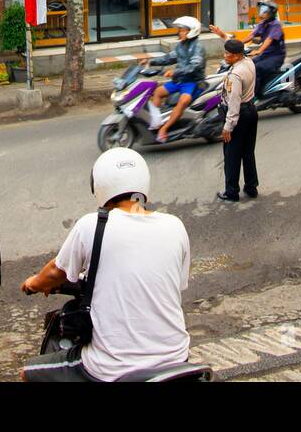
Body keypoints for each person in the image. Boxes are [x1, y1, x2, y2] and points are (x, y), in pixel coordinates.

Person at [20, 148, 191, 382]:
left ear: (99, 187)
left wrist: (32, 284)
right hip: (176, 358)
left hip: (111, 367)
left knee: (27, 374)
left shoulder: (92, 225)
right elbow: (168, 284)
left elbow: (54, 272)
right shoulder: (175, 226)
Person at [148, 16, 205, 143]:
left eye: (182, 30)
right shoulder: (181, 45)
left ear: (192, 31)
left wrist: (175, 72)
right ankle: (155, 122)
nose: (179, 32)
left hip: (192, 82)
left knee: (184, 100)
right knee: (157, 92)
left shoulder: (198, 47)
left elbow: (194, 66)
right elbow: (169, 58)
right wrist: (151, 61)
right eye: (179, 30)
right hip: (179, 80)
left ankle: (165, 128)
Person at [217, 38, 258, 203]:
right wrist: (222, 34)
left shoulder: (235, 75)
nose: (225, 56)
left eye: (228, 53)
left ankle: (232, 192)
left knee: (232, 155)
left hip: (239, 116)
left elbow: (234, 103)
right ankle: (251, 187)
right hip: (251, 112)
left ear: (236, 56)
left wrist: (228, 127)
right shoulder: (249, 62)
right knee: (248, 152)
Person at [211, 0, 285, 85]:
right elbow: (250, 36)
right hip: (265, 55)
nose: (261, 12)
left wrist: (259, 51)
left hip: (275, 57)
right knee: (248, 66)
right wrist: (237, 44)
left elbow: (269, 39)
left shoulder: (276, 25)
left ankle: (255, 95)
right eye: (261, 9)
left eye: (264, 10)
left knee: (256, 69)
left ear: (271, 13)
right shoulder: (261, 24)